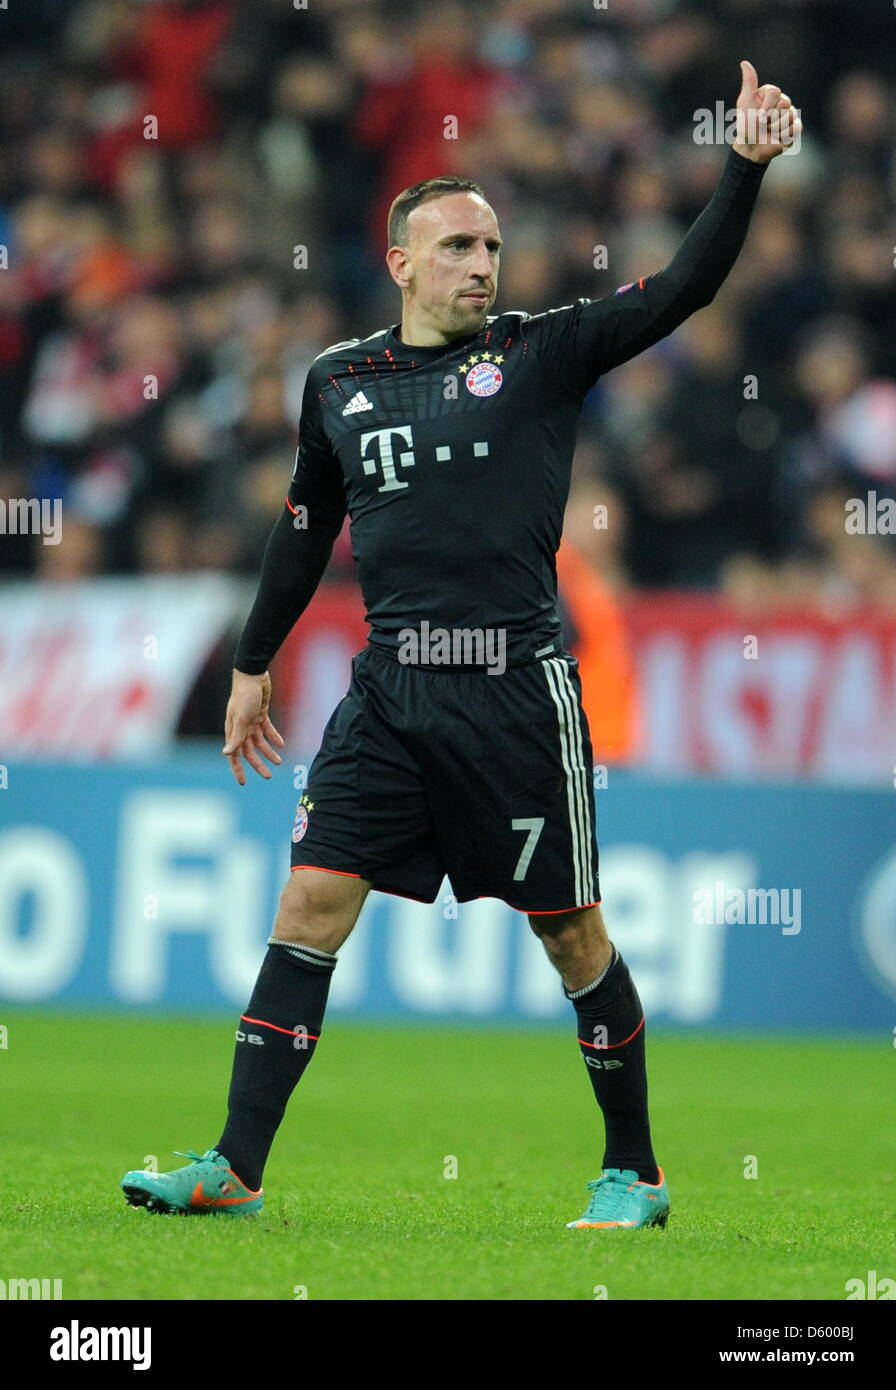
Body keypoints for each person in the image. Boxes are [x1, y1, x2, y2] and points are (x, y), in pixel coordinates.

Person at [121, 63, 800, 1227]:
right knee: (309, 906)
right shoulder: (340, 381)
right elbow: (301, 528)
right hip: (387, 693)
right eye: (456, 248)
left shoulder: (545, 353)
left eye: (490, 246)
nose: (482, 264)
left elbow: (683, 287)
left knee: (572, 935)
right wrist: (251, 662)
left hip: (514, 697)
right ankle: (234, 1165)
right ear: (400, 262)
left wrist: (740, 167)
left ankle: (632, 1171)